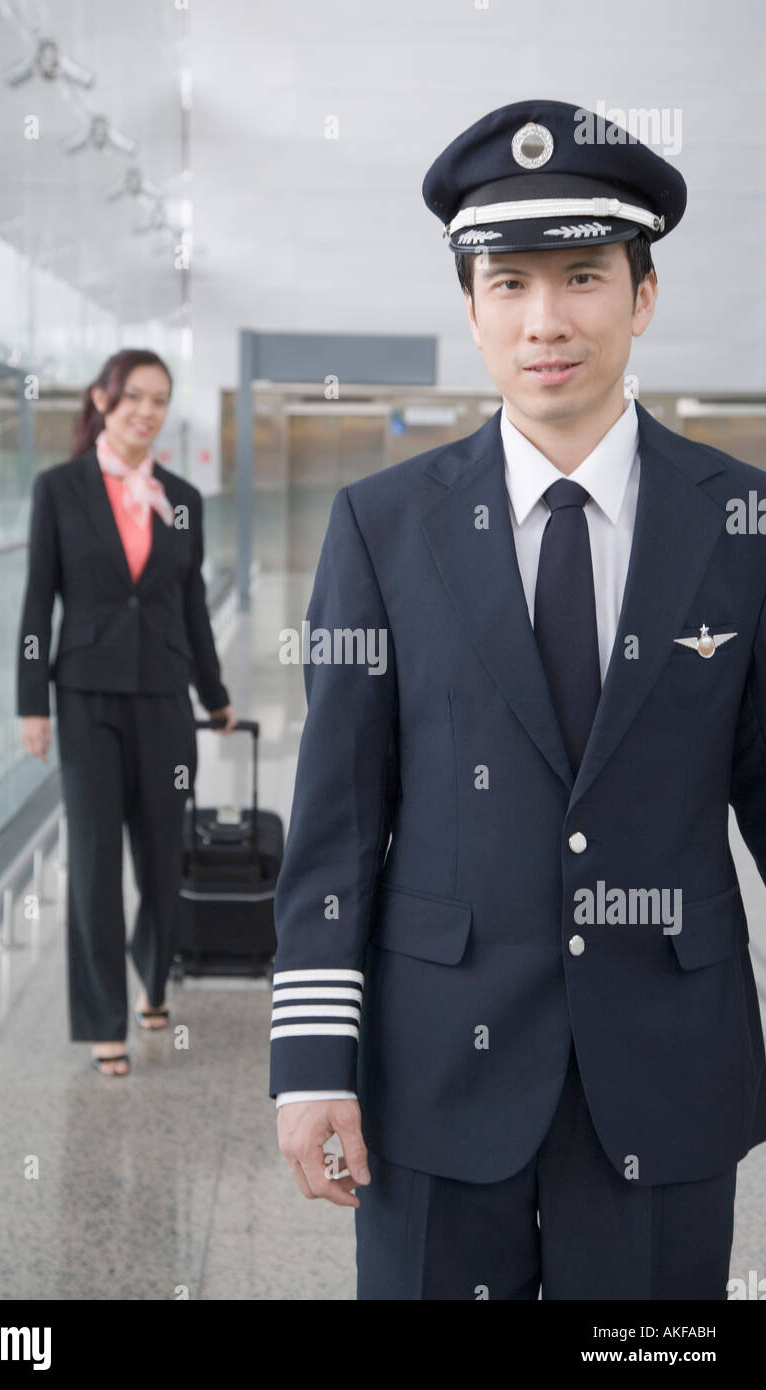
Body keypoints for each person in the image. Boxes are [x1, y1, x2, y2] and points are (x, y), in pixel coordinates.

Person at [270, 99, 766, 1299]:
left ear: (641, 298)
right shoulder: (382, 528)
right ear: (472, 310)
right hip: (433, 1069)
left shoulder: (739, 524)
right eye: (509, 284)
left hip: (663, 1064)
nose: (546, 319)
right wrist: (308, 1061)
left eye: (583, 277)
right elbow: (337, 816)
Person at [17, 348, 237, 1076]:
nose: (148, 410)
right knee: (95, 862)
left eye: (160, 399)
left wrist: (214, 692)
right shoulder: (59, 489)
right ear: (103, 400)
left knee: (163, 854)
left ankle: (154, 970)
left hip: (164, 694)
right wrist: (31, 704)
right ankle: (105, 1018)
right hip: (84, 695)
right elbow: (36, 601)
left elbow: (189, 604)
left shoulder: (182, 498)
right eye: (135, 396)